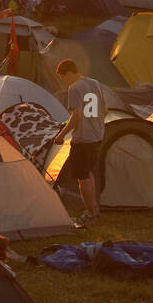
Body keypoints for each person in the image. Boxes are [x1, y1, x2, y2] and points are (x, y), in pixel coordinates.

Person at [52, 59, 105, 227]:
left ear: (68, 73)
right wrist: (95, 123)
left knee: (83, 177)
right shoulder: (95, 83)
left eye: (62, 77)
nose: (63, 81)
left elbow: (76, 117)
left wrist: (61, 135)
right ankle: (94, 209)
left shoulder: (74, 88)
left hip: (82, 139)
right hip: (97, 136)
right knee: (88, 173)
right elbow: (105, 110)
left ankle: (90, 214)